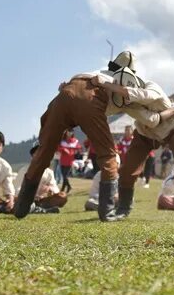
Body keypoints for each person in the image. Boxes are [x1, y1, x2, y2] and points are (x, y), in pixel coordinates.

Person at [15, 51, 153, 221]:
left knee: (43, 151)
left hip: (65, 94)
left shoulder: (95, 70)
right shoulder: (122, 85)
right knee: (108, 154)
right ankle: (107, 211)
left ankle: (22, 206)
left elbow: (71, 87)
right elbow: (138, 106)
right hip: (91, 98)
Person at [91, 58, 174, 221]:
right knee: (129, 167)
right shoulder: (127, 103)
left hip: (172, 128)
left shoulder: (151, 87)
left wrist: (109, 85)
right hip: (146, 133)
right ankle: (123, 208)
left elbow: (144, 95)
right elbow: (152, 120)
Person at [15, 143, 67, 213]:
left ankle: (37, 208)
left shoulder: (49, 172)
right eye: (39, 153)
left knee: (62, 196)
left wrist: (50, 189)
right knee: (19, 200)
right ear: (33, 155)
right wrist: (32, 195)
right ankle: (39, 209)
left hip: (42, 199)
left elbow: (55, 189)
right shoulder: (24, 170)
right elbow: (17, 190)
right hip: (27, 199)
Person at [57, 129, 80, 193]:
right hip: (63, 160)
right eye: (68, 131)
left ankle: (67, 187)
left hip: (70, 160)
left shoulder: (75, 141)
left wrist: (76, 151)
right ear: (66, 132)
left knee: (65, 175)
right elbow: (58, 148)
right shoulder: (62, 141)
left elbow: (78, 148)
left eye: (71, 131)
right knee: (64, 175)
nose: (70, 133)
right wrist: (63, 149)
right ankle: (64, 188)